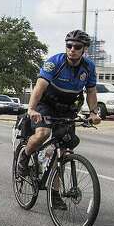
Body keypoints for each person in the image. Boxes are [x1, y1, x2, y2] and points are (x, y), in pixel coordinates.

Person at [16, 29, 102, 208]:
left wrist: (94, 112)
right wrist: (31, 109)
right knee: (43, 133)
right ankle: (24, 155)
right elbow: (39, 88)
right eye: (69, 45)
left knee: (63, 151)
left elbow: (91, 92)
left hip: (67, 108)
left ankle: (54, 194)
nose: (72, 49)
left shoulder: (89, 67)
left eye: (77, 46)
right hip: (45, 104)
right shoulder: (54, 62)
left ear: (84, 49)